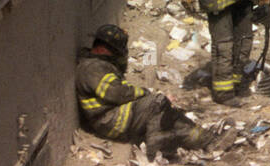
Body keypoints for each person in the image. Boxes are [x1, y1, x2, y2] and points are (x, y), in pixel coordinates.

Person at [76, 24, 215, 157]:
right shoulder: (92, 68)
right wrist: (143, 93)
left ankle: (204, 139)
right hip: (110, 121)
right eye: (117, 52)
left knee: (169, 116)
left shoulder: (97, 65)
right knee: (157, 102)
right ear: (102, 49)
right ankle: (159, 141)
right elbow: (117, 93)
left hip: (112, 117)